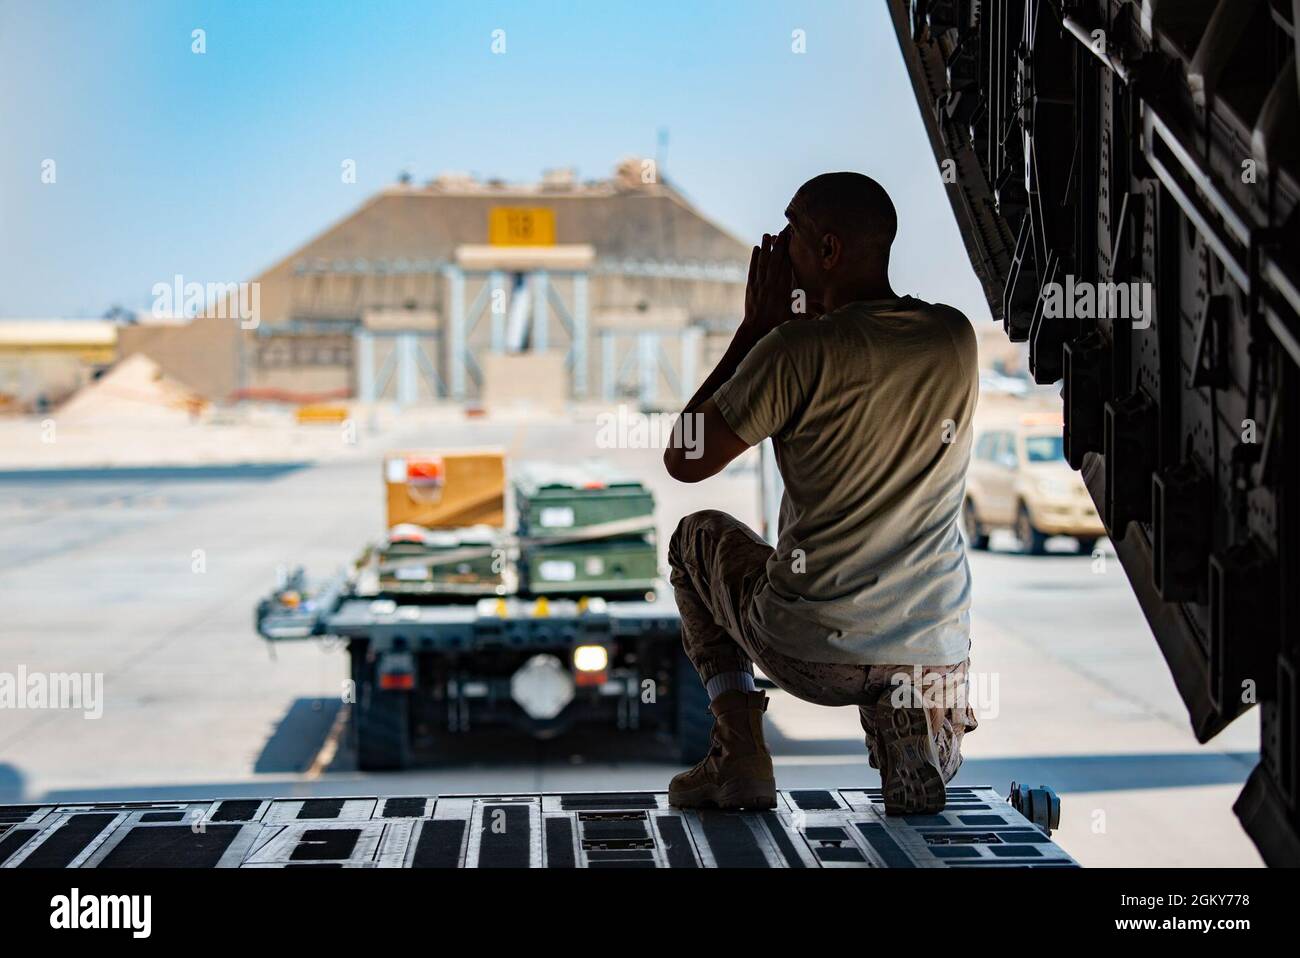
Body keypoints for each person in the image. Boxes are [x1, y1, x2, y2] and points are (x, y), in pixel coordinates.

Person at [662, 172, 979, 814]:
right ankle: (914, 733)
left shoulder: (796, 349)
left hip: (810, 648)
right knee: (920, 680)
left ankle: (739, 752)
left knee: (694, 535)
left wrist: (755, 327)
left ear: (828, 251)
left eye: (791, 231)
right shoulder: (954, 338)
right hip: (931, 650)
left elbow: (684, 458)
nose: (778, 247)